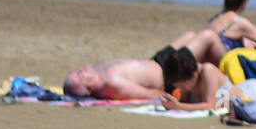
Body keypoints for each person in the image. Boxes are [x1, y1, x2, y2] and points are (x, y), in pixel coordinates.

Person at [62, 47, 201, 101]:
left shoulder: (97, 71)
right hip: (170, 75)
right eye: (80, 77)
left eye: (77, 71)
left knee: (191, 36)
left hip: (160, 62)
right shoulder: (111, 84)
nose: (81, 71)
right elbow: (151, 94)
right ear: (89, 90)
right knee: (207, 38)